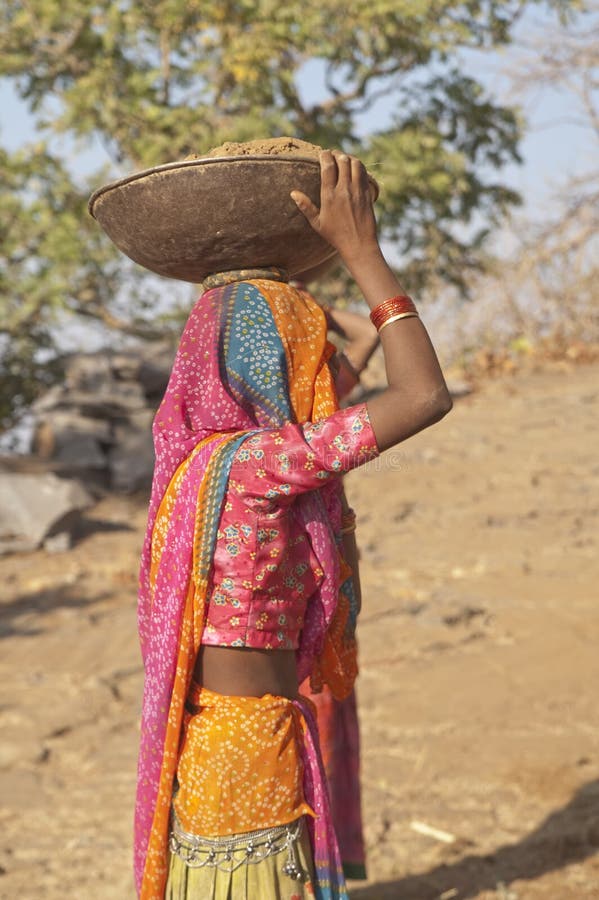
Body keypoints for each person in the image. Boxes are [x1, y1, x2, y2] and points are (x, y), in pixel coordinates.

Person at [134, 149, 452, 899]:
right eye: (308, 352)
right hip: (248, 756)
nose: (324, 371)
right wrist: (362, 253)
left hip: (226, 749)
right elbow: (423, 396)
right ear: (281, 368)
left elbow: (359, 382)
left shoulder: (199, 465)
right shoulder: (260, 465)